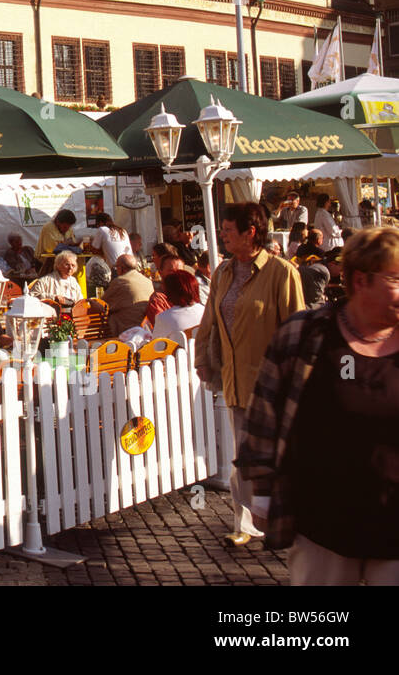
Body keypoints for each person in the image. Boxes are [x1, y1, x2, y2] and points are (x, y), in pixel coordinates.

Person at [237, 226, 399, 585]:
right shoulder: (306, 335)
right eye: (396, 279)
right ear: (360, 281)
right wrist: (262, 492)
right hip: (323, 527)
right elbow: (264, 414)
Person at [194, 202, 305, 547]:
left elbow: (296, 329)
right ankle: (245, 523)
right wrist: (202, 357)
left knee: (274, 455)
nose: (223, 235)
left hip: (271, 384)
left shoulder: (282, 273)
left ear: (250, 232)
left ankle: (283, 515)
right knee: (243, 454)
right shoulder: (223, 273)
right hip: (234, 379)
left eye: (228, 230)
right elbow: (210, 320)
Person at [123, 271, 203, 349]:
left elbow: (157, 348)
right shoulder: (204, 310)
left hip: (176, 359)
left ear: (169, 292)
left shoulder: (164, 318)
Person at [102, 254, 155, 336]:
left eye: (117, 267)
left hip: (126, 330)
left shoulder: (120, 281)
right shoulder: (147, 281)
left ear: (121, 268)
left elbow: (102, 303)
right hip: (146, 328)